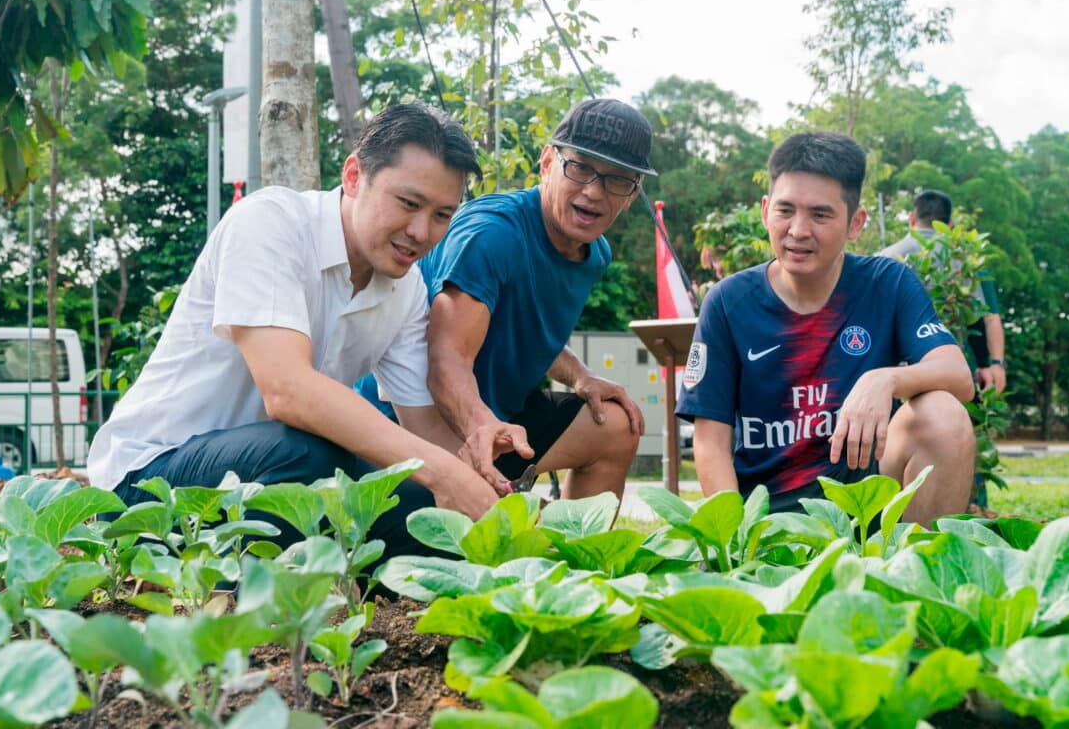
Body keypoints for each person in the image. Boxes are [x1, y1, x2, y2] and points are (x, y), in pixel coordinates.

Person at [87, 103, 499, 558]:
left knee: (427, 508)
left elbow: (425, 432)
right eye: (408, 203)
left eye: (442, 215)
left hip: (265, 479)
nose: (421, 232)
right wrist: (441, 469)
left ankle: (316, 570)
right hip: (147, 485)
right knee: (312, 455)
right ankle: (259, 586)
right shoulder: (270, 223)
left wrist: (487, 484)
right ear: (354, 176)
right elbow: (287, 392)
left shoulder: (406, 289)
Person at [359, 98, 654, 502]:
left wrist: (581, 375)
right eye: (580, 167)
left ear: (633, 193)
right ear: (547, 161)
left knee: (617, 427)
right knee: (510, 542)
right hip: (412, 422)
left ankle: (585, 555)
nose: (593, 192)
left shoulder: (594, 253)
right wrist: (483, 431)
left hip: (501, 418)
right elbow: (446, 361)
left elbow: (525, 329)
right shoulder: (492, 235)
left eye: (617, 180)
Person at [677, 132, 975, 525]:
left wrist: (885, 379)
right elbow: (710, 440)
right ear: (766, 211)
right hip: (770, 522)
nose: (798, 230)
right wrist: (735, 539)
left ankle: (911, 573)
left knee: (943, 415)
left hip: (860, 507)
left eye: (820, 215)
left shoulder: (887, 283)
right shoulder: (729, 302)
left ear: (855, 223)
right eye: (785, 211)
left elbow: (958, 376)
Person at [877, 189, 1007, 393]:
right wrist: (993, 364)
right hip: (955, 372)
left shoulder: (882, 259)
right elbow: (985, 318)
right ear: (951, 226)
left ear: (911, 218)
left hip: (894, 371)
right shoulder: (966, 262)